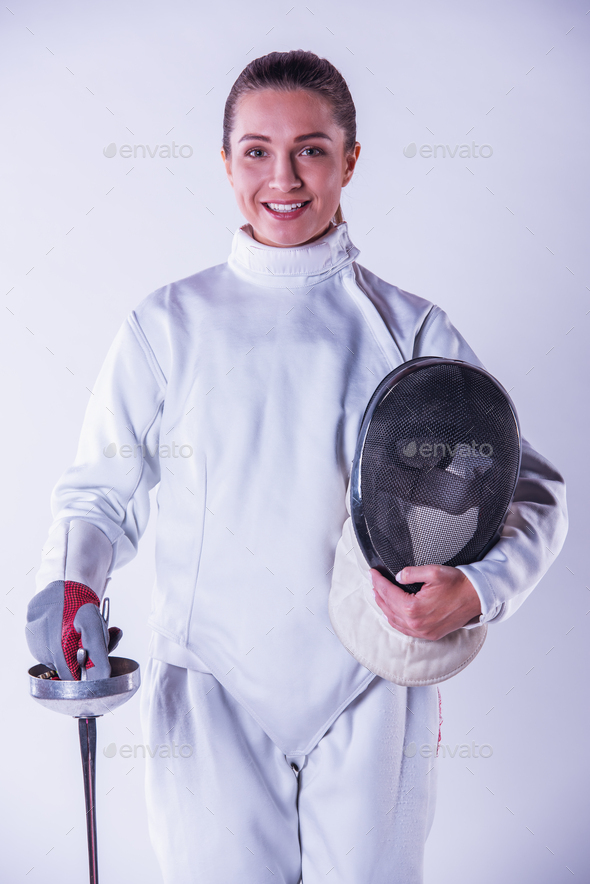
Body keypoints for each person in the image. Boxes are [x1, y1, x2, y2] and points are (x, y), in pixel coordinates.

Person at [26, 50, 568, 883]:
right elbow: (100, 494)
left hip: (375, 684)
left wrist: (482, 587)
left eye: (312, 149)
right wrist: (69, 584)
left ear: (350, 160)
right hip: (210, 692)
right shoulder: (168, 324)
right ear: (225, 160)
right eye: (256, 150)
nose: (283, 176)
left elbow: (530, 485)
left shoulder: (411, 330)